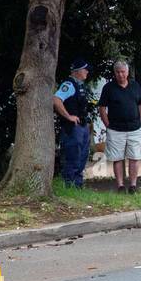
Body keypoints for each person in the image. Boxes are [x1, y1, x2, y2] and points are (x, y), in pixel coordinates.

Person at [98, 59, 141, 194]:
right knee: (117, 158)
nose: (121, 75)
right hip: (115, 129)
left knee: (135, 157)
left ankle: (133, 185)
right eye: (118, 72)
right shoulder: (108, 88)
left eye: (123, 72)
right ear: (115, 73)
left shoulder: (135, 85)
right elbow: (102, 107)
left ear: (127, 72)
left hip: (135, 128)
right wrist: (107, 124)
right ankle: (120, 185)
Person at [52, 58, 92, 189]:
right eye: (85, 69)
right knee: (73, 156)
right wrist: (68, 116)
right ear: (77, 71)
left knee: (82, 156)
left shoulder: (80, 86)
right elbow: (56, 100)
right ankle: (69, 185)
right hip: (72, 129)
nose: (87, 72)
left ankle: (78, 186)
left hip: (82, 126)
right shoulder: (68, 85)